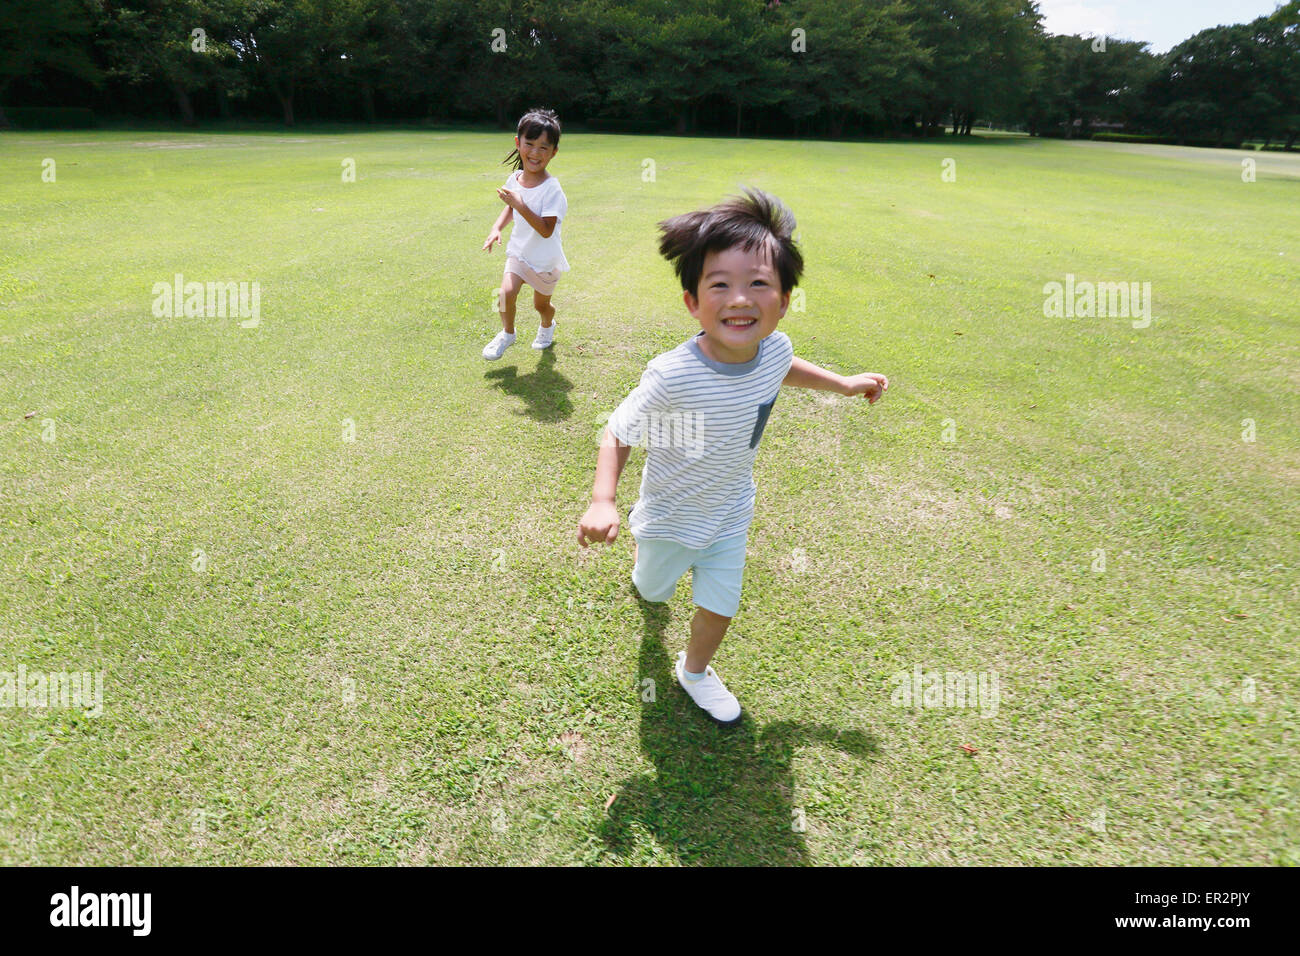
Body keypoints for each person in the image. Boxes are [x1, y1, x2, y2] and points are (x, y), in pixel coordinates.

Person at [577, 188, 889, 725]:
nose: (740, 299)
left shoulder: (775, 348)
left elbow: (784, 368)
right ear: (693, 303)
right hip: (669, 516)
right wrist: (603, 499)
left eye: (759, 284)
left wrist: (841, 384)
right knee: (653, 590)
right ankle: (646, 572)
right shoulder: (672, 375)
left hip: (730, 509)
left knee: (720, 604)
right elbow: (618, 432)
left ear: (785, 300)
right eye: (719, 285)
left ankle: (694, 672)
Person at [481, 107, 570, 359]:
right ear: (518, 143)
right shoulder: (515, 178)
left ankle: (547, 325)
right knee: (504, 294)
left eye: (544, 147)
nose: (535, 152)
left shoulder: (553, 189)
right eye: (529, 144)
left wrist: (520, 204)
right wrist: (496, 228)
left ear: (554, 152)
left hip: (545, 259)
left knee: (541, 306)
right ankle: (507, 333)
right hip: (519, 253)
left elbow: (545, 230)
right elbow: (511, 208)